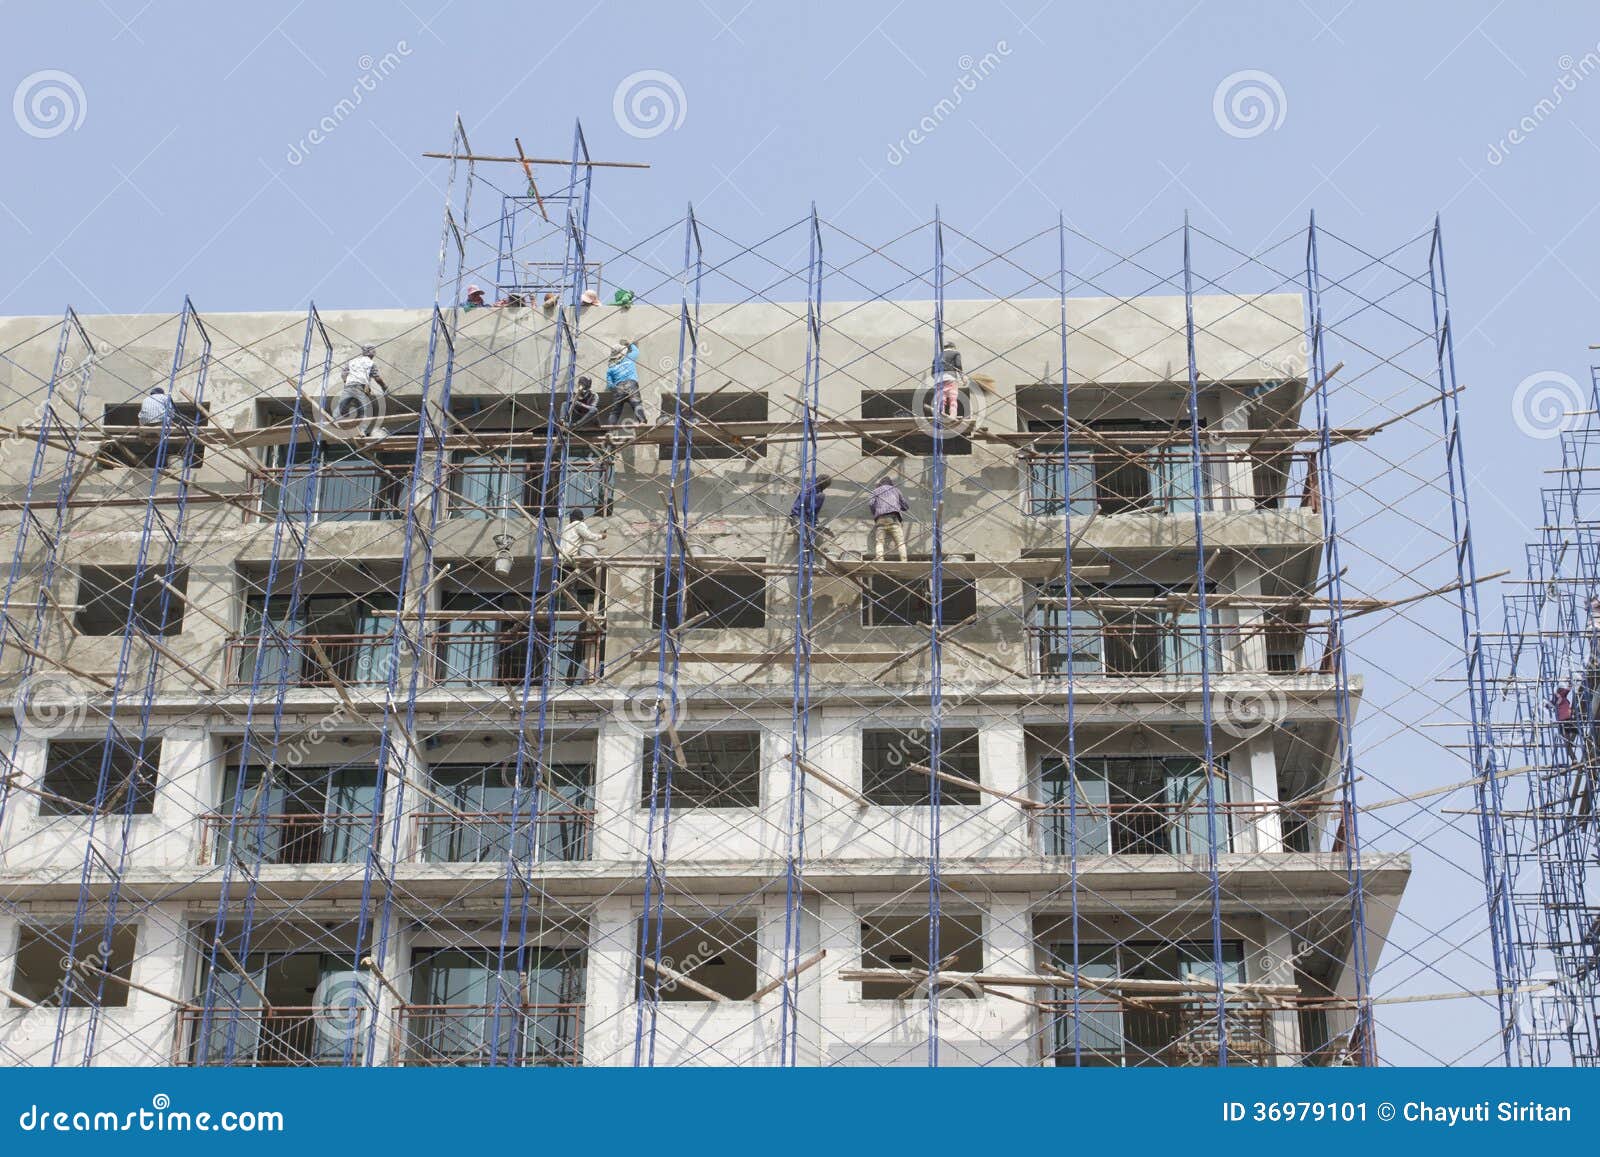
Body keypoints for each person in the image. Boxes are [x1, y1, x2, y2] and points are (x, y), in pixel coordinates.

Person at [336, 344, 388, 436]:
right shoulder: (370, 363)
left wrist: (347, 383)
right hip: (360, 388)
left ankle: (335, 422)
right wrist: (384, 387)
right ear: (369, 352)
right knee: (364, 411)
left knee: (342, 406)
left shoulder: (352, 361)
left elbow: (343, 374)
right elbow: (377, 378)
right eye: (373, 351)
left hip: (349, 387)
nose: (375, 352)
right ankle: (361, 431)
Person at [867, 474, 910, 561]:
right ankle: (904, 561)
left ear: (880, 484)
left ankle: (880, 561)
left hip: (880, 519)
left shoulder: (875, 491)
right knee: (900, 542)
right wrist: (898, 506)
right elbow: (905, 506)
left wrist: (876, 512)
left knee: (879, 542)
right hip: (893, 519)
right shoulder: (896, 490)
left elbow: (871, 503)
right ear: (891, 483)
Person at [605, 339, 646, 427]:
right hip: (631, 385)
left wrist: (615, 389)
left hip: (618, 387)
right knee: (636, 404)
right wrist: (629, 344)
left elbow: (610, 385)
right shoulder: (629, 358)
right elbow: (636, 352)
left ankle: (610, 428)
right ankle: (642, 422)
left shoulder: (611, 368)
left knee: (615, 411)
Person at [790, 474, 833, 550]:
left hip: (804, 519)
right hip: (798, 516)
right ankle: (800, 532)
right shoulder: (809, 487)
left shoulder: (820, 494)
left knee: (809, 539)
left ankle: (803, 535)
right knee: (806, 538)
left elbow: (815, 512)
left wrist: (817, 524)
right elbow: (804, 504)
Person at [935, 339, 964, 420]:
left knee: (942, 397)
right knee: (953, 397)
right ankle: (952, 415)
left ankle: (941, 411)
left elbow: (933, 370)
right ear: (953, 347)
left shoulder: (938, 356)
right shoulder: (955, 353)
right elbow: (958, 365)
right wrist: (962, 377)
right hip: (951, 378)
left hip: (939, 379)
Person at [1553, 684, 1581, 764]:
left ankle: (1574, 759)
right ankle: (1590, 744)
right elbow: (1568, 689)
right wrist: (1570, 682)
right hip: (1567, 721)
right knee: (1580, 733)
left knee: (1567, 743)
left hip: (1562, 723)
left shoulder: (1557, 700)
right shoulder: (1561, 696)